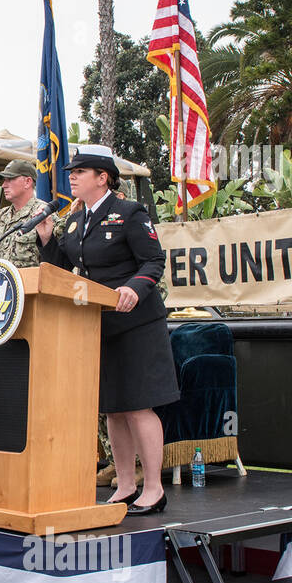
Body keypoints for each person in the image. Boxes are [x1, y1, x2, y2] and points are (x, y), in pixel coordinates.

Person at [34, 145, 179, 514]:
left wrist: (134, 287)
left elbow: (153, 260)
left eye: (79, 172)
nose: (72, 177)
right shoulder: (75, 220)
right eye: (71, 172)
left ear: (103, 178)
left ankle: (154, 488)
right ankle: (127, 486)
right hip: (99, 325)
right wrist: (49, 239)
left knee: (138, 406)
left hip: (137, 323)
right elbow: (60, 270)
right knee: (113, 409)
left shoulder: (130, 213)